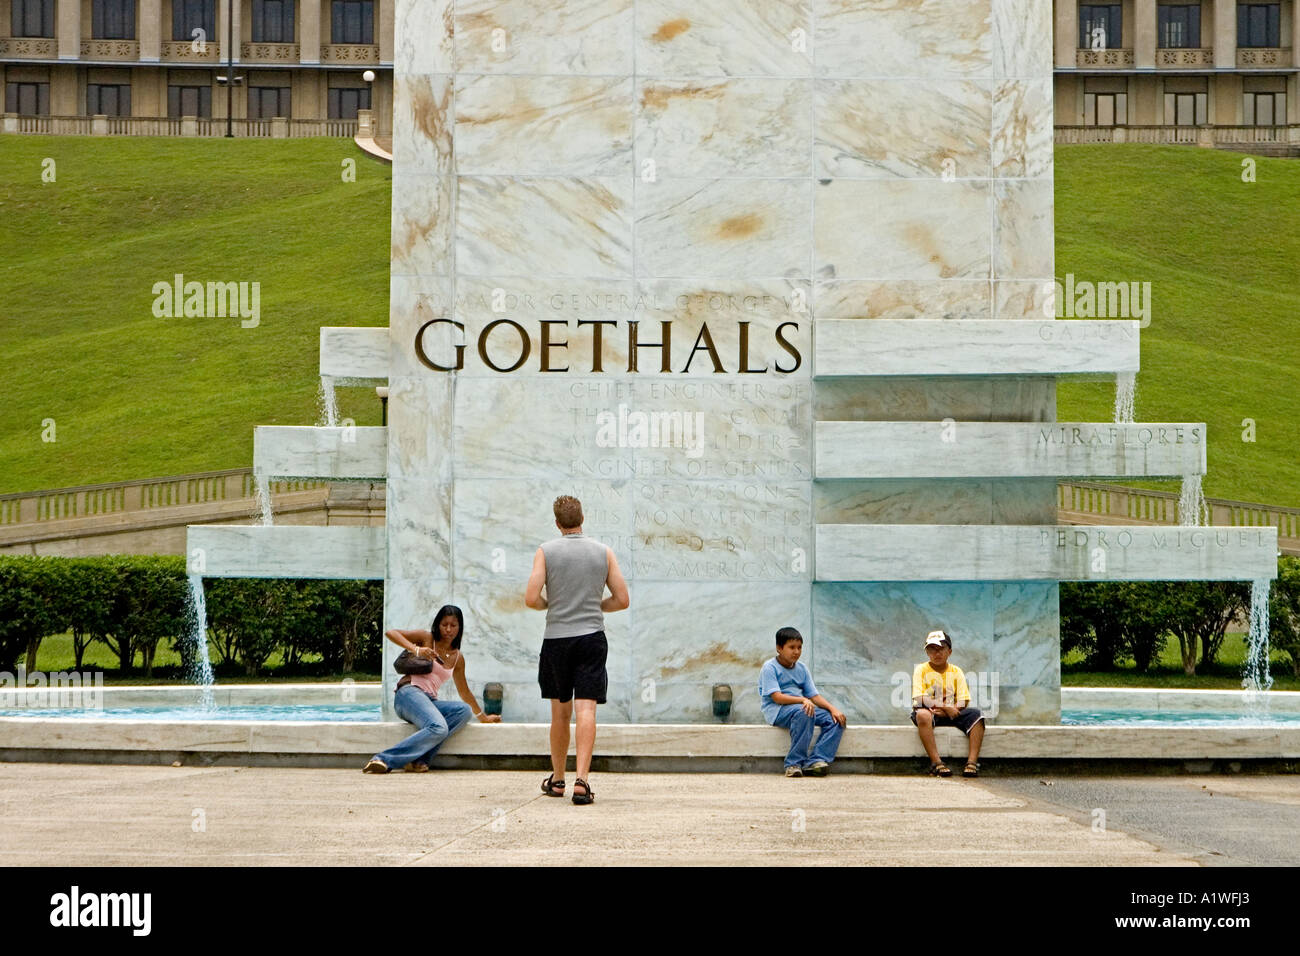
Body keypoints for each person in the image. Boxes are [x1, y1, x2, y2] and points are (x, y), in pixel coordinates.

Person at [524, 495, 629, 805]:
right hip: (592, 638)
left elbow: (531, 598)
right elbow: (622, 599)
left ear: (557, 523)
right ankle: (582, 780)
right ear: (583, 519)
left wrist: (552, 604)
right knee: (587, 710)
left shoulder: (545, 551)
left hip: (557, 639)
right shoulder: (603, 552)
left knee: (560, 712)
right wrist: (594, 606)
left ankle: (557, 779)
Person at [363, 604, 501, 773]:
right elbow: (391, 633)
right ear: (438, 625)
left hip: (429, 700)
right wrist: (417, 649)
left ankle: (418, 760)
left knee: (463, 711)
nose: (448, 629)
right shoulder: (427, 638)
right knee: (438, 727)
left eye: (453, 625)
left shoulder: (458, 658)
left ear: (460, 627)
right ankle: (383, 759)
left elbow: (464, 692)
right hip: (408, 694)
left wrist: (483, 718)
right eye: (444, 625)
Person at [759, 627, 847, 777]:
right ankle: (793, 764)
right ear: (779, 648)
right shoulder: (770, 668)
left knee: (835, 720)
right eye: (791, 647)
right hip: (778, 710)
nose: (796, 652)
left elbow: (814, 696)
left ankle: (816, 760)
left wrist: (833, 709)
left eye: (799, 648)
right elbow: (777, 697)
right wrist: (802, 700)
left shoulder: (802, 669)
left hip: (800, 708)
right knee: (804, 711)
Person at [910, 629, 984, 778]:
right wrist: (945, 707)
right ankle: (936, 763)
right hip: (930, 712)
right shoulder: (921, 670)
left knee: (977, 715)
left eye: (941, 649)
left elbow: (964, 699)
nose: (937, 653)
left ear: (949, 651)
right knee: (922, 714)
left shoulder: (956, 671)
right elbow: (919, 697)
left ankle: (971, 762)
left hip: (952, 712)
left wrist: (951, 710)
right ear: (927, 653)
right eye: (932, 649)